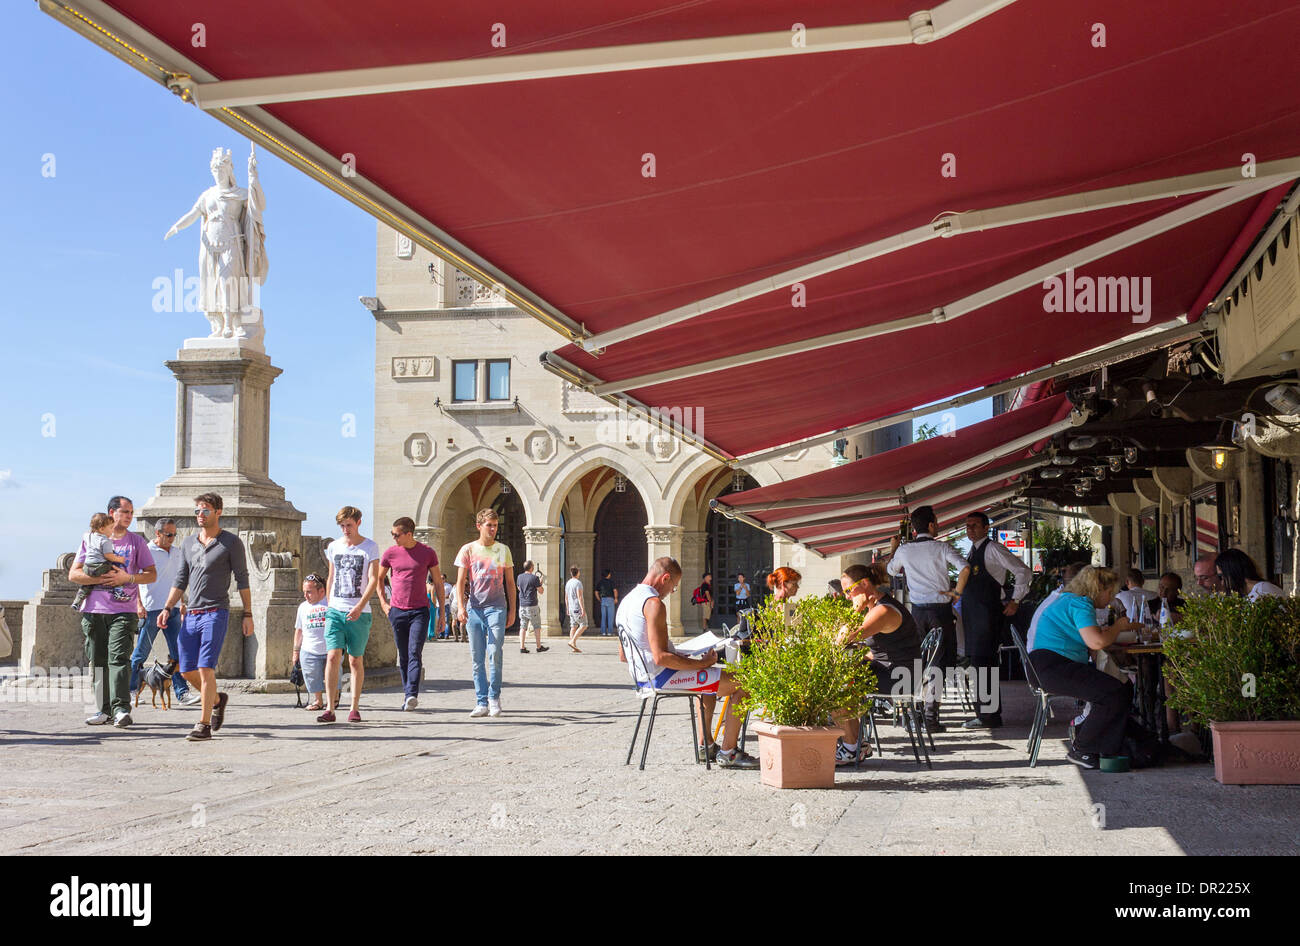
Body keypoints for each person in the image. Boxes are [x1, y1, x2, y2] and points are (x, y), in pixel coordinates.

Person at [617, 557, 759, 769]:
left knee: (710, 677)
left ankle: (706, 745)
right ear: (665, 578)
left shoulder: (627, 601)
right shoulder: (654, 603)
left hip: (643, 678)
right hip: (662, 677)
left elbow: (624, 655)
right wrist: (699, 665)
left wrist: (694, 661)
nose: (671, 592)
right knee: (744, 684)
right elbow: (661, 657)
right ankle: (729, 753)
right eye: (673, 587)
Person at [157, 493, 252, 741]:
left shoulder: (231, 543)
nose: (200, 515)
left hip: (216, 612)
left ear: (218, 512)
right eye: (198, 511)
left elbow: (242, 579)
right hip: (191, 613)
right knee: (187, 671)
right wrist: (168, 607)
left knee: (205, 667)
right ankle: (218, 700)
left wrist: (248, 613)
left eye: (205, 510)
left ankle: (203, 724)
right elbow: (180, 579)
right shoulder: (188, 543)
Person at [1028, 566, 1139, 768]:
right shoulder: (1081, 603)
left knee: (1121, 688)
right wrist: (1118, 627)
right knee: (1113, 693)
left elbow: (1090, 637)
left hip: (1046, 665)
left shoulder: (1068, 600)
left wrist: (1107, 632)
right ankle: (1083, 749)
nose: (1110, 599)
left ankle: (1108, 745)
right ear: (1099, 589)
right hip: (1053, 667)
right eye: (1110, 593)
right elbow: (1096, 642)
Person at [69, 495, 156, 728]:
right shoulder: (90, 540)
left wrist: (127, 577)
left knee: (118, 659)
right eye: (125, 512)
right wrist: (100, 578)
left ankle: (120, 710)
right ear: (111, 513)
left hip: (123, 611)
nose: (129, 516)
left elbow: (151, 574)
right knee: (97, 661)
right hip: (94, 611)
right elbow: (74, 574)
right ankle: (102, 710)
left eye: (131, 513)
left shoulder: (136, 543)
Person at [885, 505, 971, 732]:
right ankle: (931, 718)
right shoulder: (941, 547)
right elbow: (965, 568)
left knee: (917, 663)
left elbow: (891, 571)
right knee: (938, 665)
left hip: (917, 613)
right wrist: (957, 593)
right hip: (940, 613)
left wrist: (894, 549)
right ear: (932, 525)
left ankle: (913, 715)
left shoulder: (904, 550)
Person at [834, 563, 924, 765]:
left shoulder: (882, 611)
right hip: (897, 672)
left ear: (865, 583)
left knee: (834, 684)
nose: (847, 596)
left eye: (849, 590)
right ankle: (856, 744)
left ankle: (851, 747)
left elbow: (844, 639)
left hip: (900, 678)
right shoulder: (878, 607)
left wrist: (855, 611)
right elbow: (882, 652)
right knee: (840, 676)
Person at [960, 511, 1032, 729]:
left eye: (974, 525)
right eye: (967, 525)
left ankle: (988, 716)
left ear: (985, 528)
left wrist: (1016, 600)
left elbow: (1023, 571)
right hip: (975, 615)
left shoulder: (993, 548)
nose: (970, 529)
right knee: (979, 663)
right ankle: (986, 713)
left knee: (984, 663)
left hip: (987, 614)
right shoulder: (972, 551)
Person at [317, 506, 381, 723]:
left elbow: (373, 579)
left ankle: (354, 706)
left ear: (358, 523)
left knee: (355, 659)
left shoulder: (370, 547)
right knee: (333, 656)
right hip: (335, 609)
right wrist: (327, 604)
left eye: (349, 525)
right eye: (342, 526)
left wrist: (360, 605)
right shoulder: (334, 547)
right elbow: (331, 576)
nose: (346, 529)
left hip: (360, 611)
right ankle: (330, 707)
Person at [455, 508, 516, 717]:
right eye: (489, 525)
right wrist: (461, 607)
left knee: (495, 652)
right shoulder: (468, 550)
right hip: (474, 608)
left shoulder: (503, 550)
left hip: (497, 606)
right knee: (477, 657)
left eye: (495, 526)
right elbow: (461, 581)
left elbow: (510, 583)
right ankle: (481, 701)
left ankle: (494, 697)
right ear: (479, 526)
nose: (493, 529)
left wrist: (512, 610)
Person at [378, 517, 445, 711]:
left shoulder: (427, 553)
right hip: (397, 610)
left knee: (415, 651)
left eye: (396, 535)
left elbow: (438, 582)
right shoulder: (390, 553)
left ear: (409, 534)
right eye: (392, 534)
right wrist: (384, 603)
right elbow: (379, 579)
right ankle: (408, 693)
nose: (394, 538)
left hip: (419, 611)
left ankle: (411, 694)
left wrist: (440, 612)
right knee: (404, 656)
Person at [129, 518, 197, 707]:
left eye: (174, 534)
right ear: (157, 533)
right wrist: (138, 605)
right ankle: (132, 688)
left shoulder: (177, 553)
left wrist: (182, 602)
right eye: (168, 534)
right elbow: (134, 580)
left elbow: (179, 580)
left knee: (177, 653)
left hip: (173, 609)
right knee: (141, 652)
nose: (172, 538)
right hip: (151, 609)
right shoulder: (145, 551)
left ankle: (182, 693)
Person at [1026, 561, 1089, 650]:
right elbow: (1095, 640)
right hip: (1048, 657)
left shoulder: (1061, 596)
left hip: (1039, 654)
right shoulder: (1071, 601)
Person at [70, 513, 126, 611]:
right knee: (117, 572)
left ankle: (77, 601)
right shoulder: (106, 541)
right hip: (100, 566)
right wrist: (119, 559)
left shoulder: (88, 536)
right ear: (101, 529)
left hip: (88, 568)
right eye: (111, 528)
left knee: (87, 585)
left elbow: (85, 534)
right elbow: (108, 556)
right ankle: (118, 591)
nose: (113, 530)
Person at [293, 574, 330, 711]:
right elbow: (299, 630)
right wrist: (295, 652)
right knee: (312, 676)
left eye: (309, 592)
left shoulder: (329, 603)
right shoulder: (302, 607)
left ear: (321, 591)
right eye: (304, 592)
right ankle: (318, 700)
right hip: (309, 648)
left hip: (329, 648)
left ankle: (333, 700)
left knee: (333, 675)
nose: (306, 595)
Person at [1215, 549, 1284, 599]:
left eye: (1222, 576)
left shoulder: (1261, 591)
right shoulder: (1254, 593)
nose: (1222, 583)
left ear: (1233, 572)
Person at [516, 560, 548, 653]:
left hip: (522, 605)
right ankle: (538, 646)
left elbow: (519, 588)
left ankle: (522, 647)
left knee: (523, 626)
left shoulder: (519, 577)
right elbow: (541, 591)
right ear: (531, 568)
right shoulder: (534, 578)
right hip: (532, 605)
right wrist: (540, 582)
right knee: (536, 626)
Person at [565, 567, 589, 652]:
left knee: (573, 626)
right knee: (584, 624)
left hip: (571, 608)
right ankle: (572, 641)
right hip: (577, 607)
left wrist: (567, 608)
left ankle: (573, 646)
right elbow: (580, 597)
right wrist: (583, 608)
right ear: (577, 573)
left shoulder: (568, 583)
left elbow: (566, 597)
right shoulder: (578, 583)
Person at [595, 568, 618, 636]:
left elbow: (596, 592)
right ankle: (610, 632)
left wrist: (599, 599)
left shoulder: (600, 582)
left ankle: (603, 632)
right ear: (608, 575)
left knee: (603, 617)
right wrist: (616, 598)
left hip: (603, 600)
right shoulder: (611, 582)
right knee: (610, 617)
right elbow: (615, 591)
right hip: (610, 599)